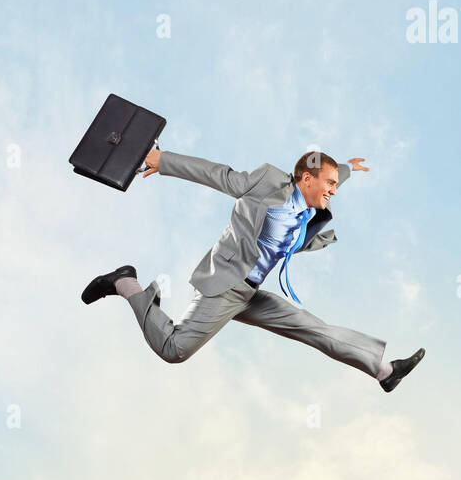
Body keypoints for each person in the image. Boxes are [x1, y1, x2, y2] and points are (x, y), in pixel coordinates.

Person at [81, 148, 425, 393]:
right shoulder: (266, 184)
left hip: (250, 292)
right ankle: (125, 283)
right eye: (330, 183)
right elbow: (217, 175)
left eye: (336, 184)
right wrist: (164, 160)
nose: (334, 191)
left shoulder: (310, 204)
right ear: (306, 179)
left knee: (311, 328)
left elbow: (331, 177)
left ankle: (384, 371)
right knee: (174, 350)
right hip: (225, 284)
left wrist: (346, 168)